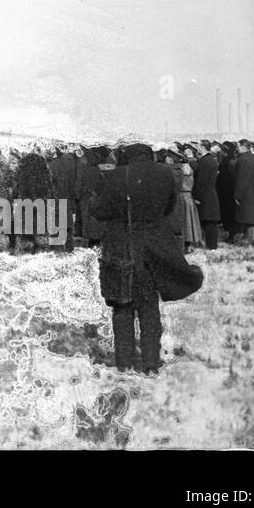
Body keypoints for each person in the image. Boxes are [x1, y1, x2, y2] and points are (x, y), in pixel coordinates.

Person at [91, 142, 203, 374]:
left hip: (122, 250)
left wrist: (94, 201)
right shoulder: (164, 172)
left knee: (123, 308)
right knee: (149, 306)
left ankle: (125, 362)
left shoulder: (117, 176)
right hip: (153, 249)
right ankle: (151, 362)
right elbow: (170, 206)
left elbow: (101, 211)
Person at [232, 140, 254, 246]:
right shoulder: (252, 157)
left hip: (247, 194)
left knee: (248, 217)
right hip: (253, 193)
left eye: (238, 146)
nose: (237, 148)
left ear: (243, 147)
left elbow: (242, 180)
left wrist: (237, 195)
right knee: (251, 218)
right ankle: (251, 239)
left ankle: (251, 241)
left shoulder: (243, 160)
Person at [192, 144, 222, 250]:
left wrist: (197, 197)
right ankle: (212, 245)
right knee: (210, 222)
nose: (197, 149)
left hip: (205, 196)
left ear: (203, 148)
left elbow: (202, 181)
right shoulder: (211, 160)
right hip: (210, 194)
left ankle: (211, 246)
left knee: (208, 221)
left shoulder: (204, 161)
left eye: (199, 147)